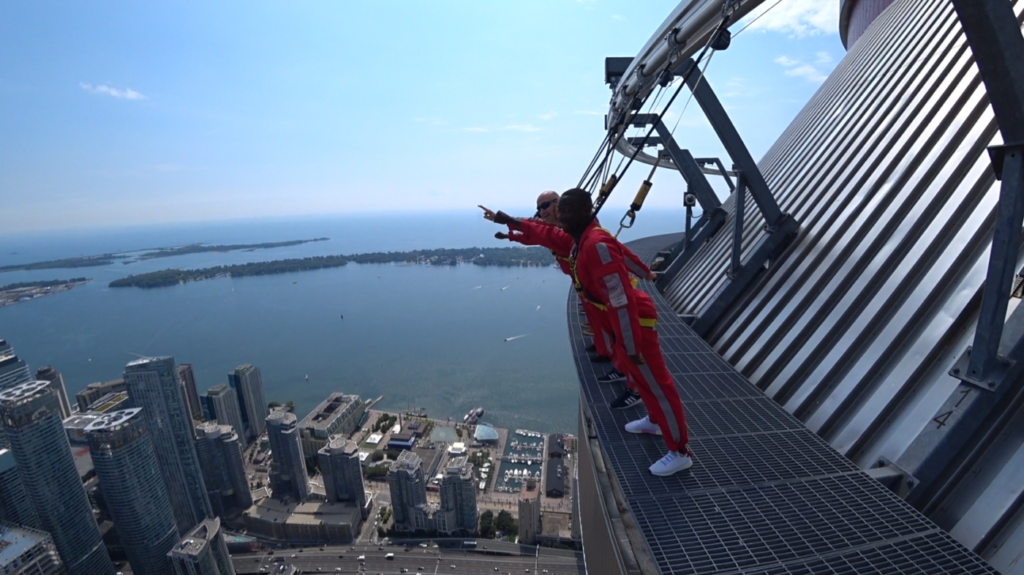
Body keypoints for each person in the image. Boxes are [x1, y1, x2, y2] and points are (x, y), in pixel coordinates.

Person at [557, 187, 693, 476]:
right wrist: (645, 271)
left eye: (567, 209)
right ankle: (656, 422)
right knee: (644, 383)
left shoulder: (594, 244)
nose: (561, 215)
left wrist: (629, 345)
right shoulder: (587, 239)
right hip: (622, 324)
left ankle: (680, 452)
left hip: (633, 323)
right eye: (561, 209)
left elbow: (620, 299)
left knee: (658, 386)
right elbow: (623, 254)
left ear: (586, 211)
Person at [479, 195, 644, 410]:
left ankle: (635, 387)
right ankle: (619, 366)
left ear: (560, 205)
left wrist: (507, 222)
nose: (542, 211)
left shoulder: (580, 235)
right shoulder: (576, 231)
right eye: (539, 207)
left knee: (623, 338)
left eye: (546, 206)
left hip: (607, 295)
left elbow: (541, 233)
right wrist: (509, 229)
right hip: (592, 291)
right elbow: (537, 228)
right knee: (611, 333)